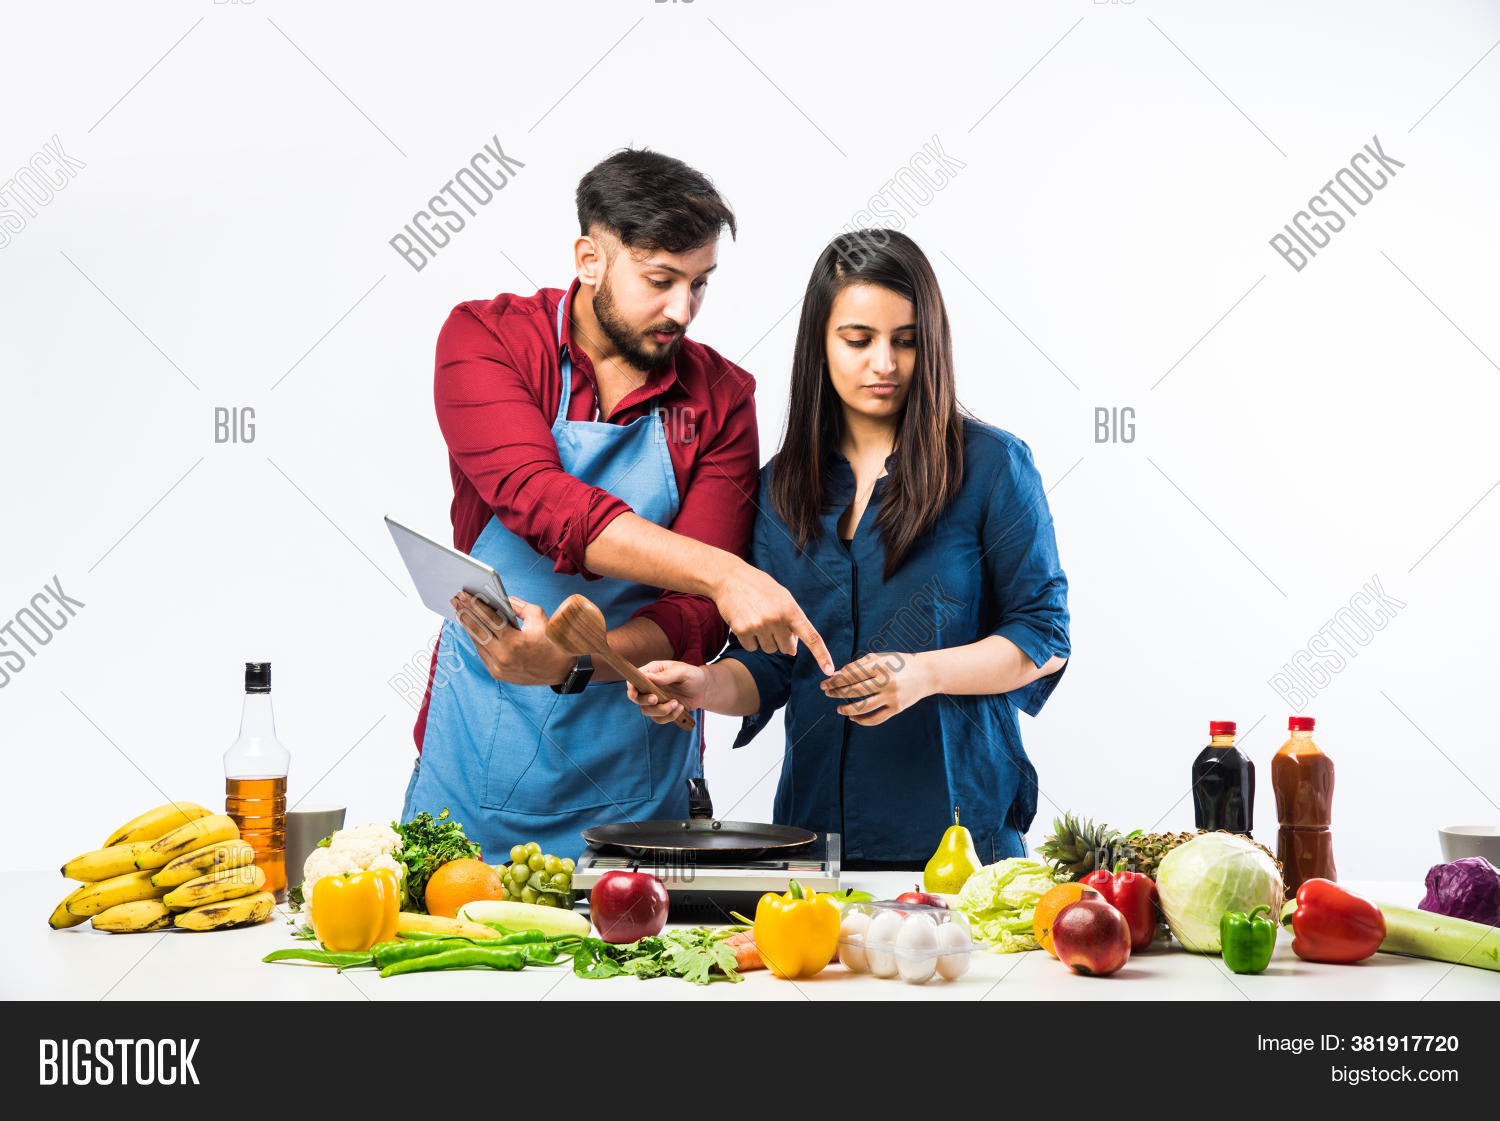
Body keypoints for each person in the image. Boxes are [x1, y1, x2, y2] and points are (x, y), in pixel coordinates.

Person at [403, 149, 832, 861]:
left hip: (639, 777)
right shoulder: (487, 340)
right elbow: (544, 504)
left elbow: (690, 615)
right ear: (590, 258)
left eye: (700, 284)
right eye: (660, 280)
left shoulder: (721, 398)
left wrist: (573, 661)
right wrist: (727, 573)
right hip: (481, 748)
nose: (682, 310)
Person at [628, 230, 1070, 867]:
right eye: (859, 341)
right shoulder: (778, 488)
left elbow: (1044, 637)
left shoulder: (993, 466)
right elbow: (774, 666)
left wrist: (923, 674)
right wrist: (702, 685)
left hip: (961, 847)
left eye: (906, 340)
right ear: (820, 345)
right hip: (813, 846)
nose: (884, 364)